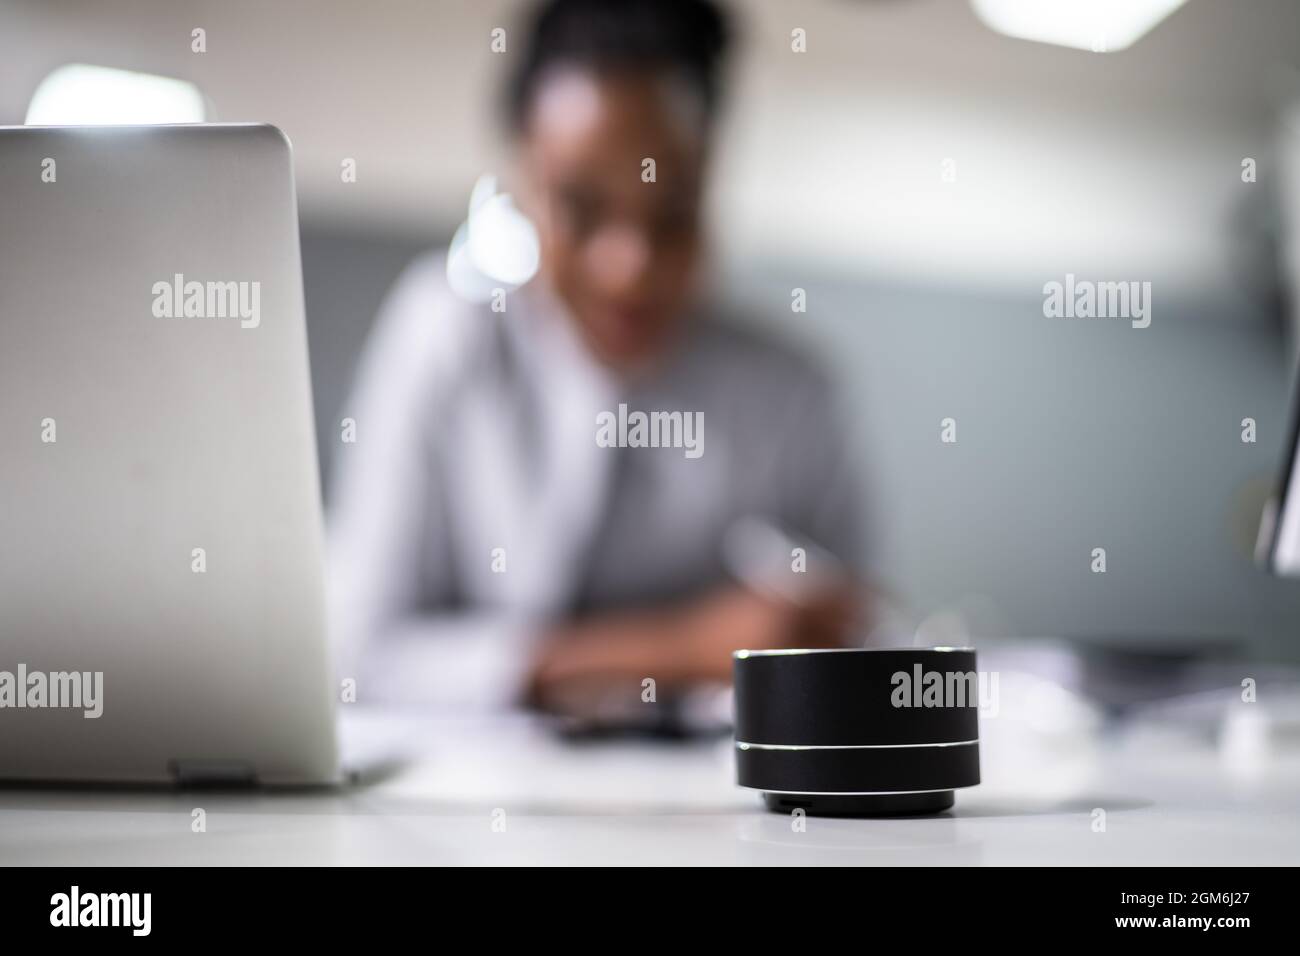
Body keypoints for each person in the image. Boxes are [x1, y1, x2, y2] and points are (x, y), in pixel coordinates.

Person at [328, 0, 865, 718]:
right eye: (582, 206)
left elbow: (855, 642)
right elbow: (356, 655)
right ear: (522, 176)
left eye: (672, 211)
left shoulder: (791, 390)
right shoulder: (446, 335)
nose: (629, 268)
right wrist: (678, 647)